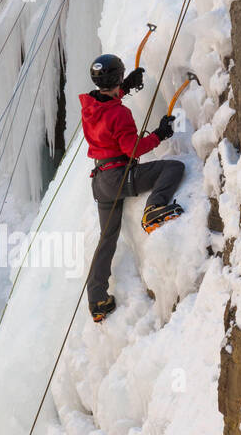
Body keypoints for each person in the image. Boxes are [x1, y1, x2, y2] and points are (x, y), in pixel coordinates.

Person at [79, 53, 184, 322]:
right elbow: (133, 148)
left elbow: (107, 110)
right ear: (117, 77)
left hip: (100, 182)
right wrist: (160, 134)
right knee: (173, 168)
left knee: (107, 238)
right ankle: (154, 209)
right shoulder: (120, 113)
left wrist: (124, 87)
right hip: (119, 177)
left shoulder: (89, 106)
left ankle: (97, 299)